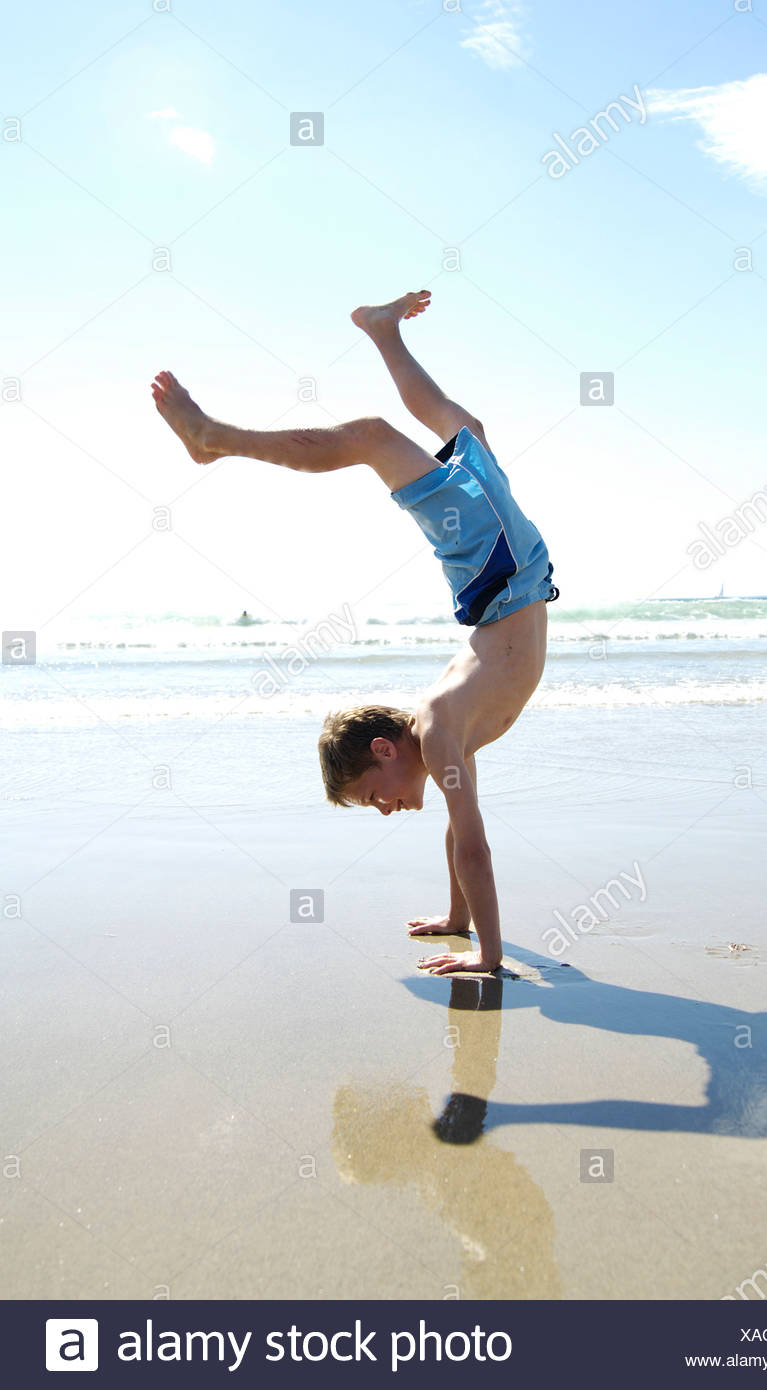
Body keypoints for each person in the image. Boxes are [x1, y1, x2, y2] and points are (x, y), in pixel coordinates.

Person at [151, 291, 559, 975]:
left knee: (372, 436)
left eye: (374, 794)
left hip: (497, 565)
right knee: (462, 427)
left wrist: (486, 960)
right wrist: (456, 921)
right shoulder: (442, 731)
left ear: (383, 748)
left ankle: (215, 439)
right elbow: (462, 834)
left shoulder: (435, 730)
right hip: (505, 568)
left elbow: (475, 848)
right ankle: (381, 332)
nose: (384, 810)